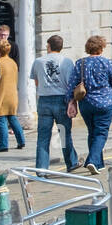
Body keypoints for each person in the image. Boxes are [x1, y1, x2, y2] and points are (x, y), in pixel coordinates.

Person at [67, 35, 112, 174]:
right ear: (101, 48)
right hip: (105, 102)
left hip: (86, 103)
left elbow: (72, 84)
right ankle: (92, 161)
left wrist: (71, 102)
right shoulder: (107, 63)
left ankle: (98, 164)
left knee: (92, 132)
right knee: (101, 133)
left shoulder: (80, 63)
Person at [33, 34, 79, 170]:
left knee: (43, 137)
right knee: (64, 133)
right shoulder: (67, 61)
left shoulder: (38, 61)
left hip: (44, 100)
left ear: (48, 45)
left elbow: (36, 82)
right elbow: (71, 83)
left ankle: (41, 168)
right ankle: (71, 163)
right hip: (61, 99)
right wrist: (72, 102)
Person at [0, 40, 24, 153]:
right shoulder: (13, 62)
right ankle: (21, 141)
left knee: (1, 119)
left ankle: (3, 144)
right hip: (12, 94)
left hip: (1, 95)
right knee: (12, 118)